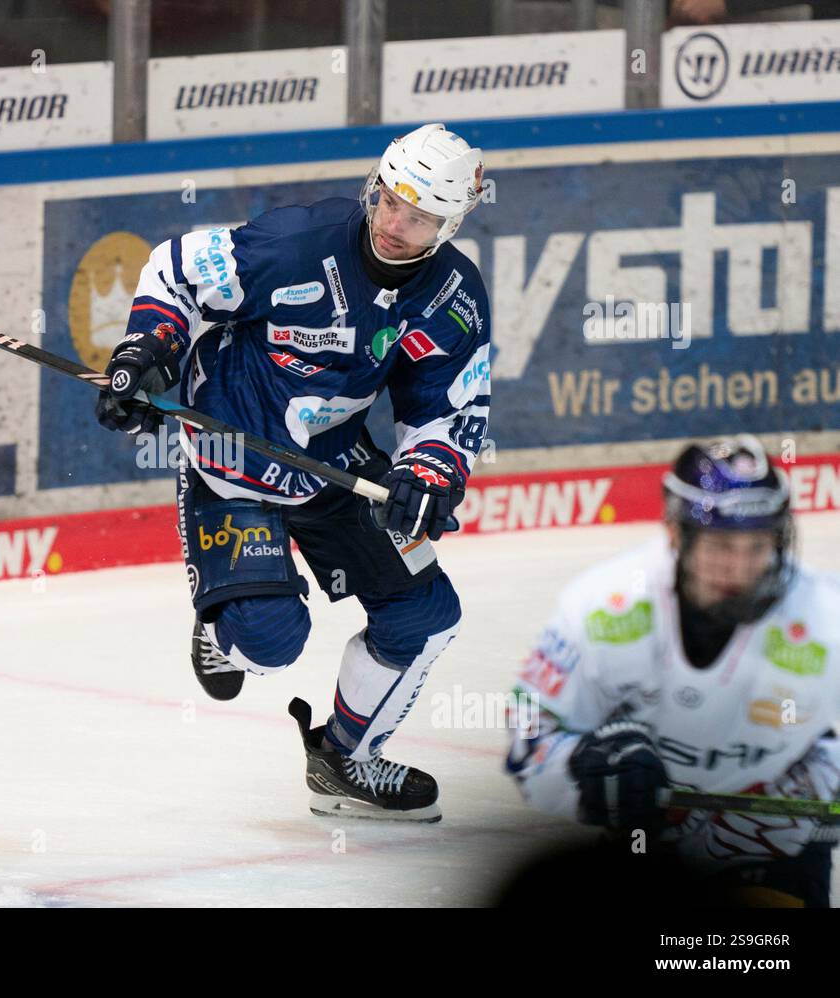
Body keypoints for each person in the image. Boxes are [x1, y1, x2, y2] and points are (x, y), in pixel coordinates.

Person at [94, 123, 491, 820]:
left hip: (333, 466)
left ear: (451, 223)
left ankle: (343, 759)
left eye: (421, 216)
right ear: (376, 186)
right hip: (233, 464)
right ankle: (224, 626)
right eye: (391, 200)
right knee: (271, 645)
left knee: (426, 618)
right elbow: (177, 270)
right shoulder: (297, 244)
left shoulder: (451, 296)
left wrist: (430, 472)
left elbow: (446, 407)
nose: (395, 224)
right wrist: (147, 349)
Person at [507, 436, 840, 907]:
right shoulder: (604, 608)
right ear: (675, 533)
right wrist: (584, 770)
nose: (741, 566)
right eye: (722, 544)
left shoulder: (824, 616)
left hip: (771, 833)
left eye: (758, 545)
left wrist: (826, 781)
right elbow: (532, 738)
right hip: (645, 841)